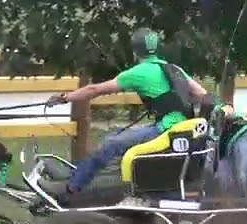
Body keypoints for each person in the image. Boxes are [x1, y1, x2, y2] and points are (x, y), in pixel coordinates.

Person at [41, 29, 214, 203]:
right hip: (182, 130)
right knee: (115, 137)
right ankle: (75, 175)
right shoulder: (174, 69)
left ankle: (70, 190)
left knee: (110, 144)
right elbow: (203, 95)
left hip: (165, 131)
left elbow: (94, 90)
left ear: (135, 51)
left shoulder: (138, 73)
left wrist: (65, 98)